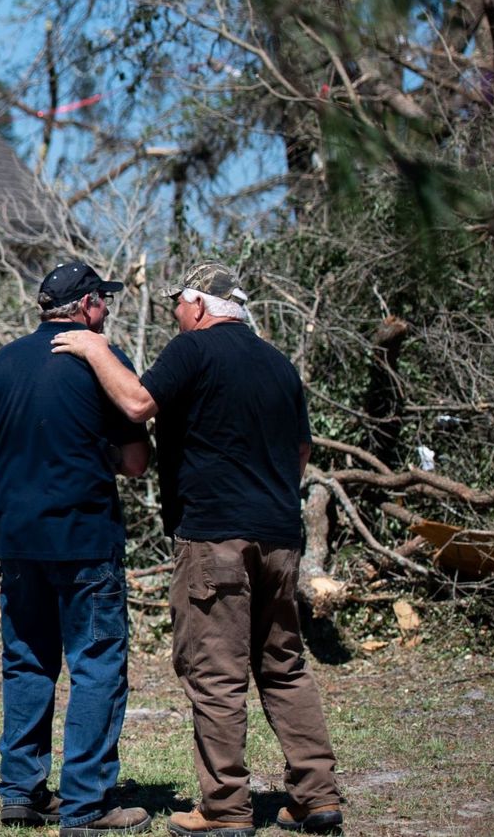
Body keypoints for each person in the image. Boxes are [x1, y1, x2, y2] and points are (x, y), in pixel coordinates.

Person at [51, 263, 344, 836]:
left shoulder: (194, 350)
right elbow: (301, 450)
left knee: (215, 674)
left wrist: (92, 346)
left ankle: (225, 808)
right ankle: (318, 798)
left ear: (200, 305)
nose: (176, 316)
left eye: (179, 305)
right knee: (284, 668)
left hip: (214, 540)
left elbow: (136, 404)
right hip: (281, 537)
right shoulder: (278, 363)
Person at [0, 262, 154, 835]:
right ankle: (88, 804)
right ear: (90, 305)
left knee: (27, 662)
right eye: (105, 302)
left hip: (19, 541)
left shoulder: (3, 362)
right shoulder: (100, 359)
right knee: (96, 665)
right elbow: (136, 461)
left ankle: (21, 793)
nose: (108, 312)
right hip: (83, 538)